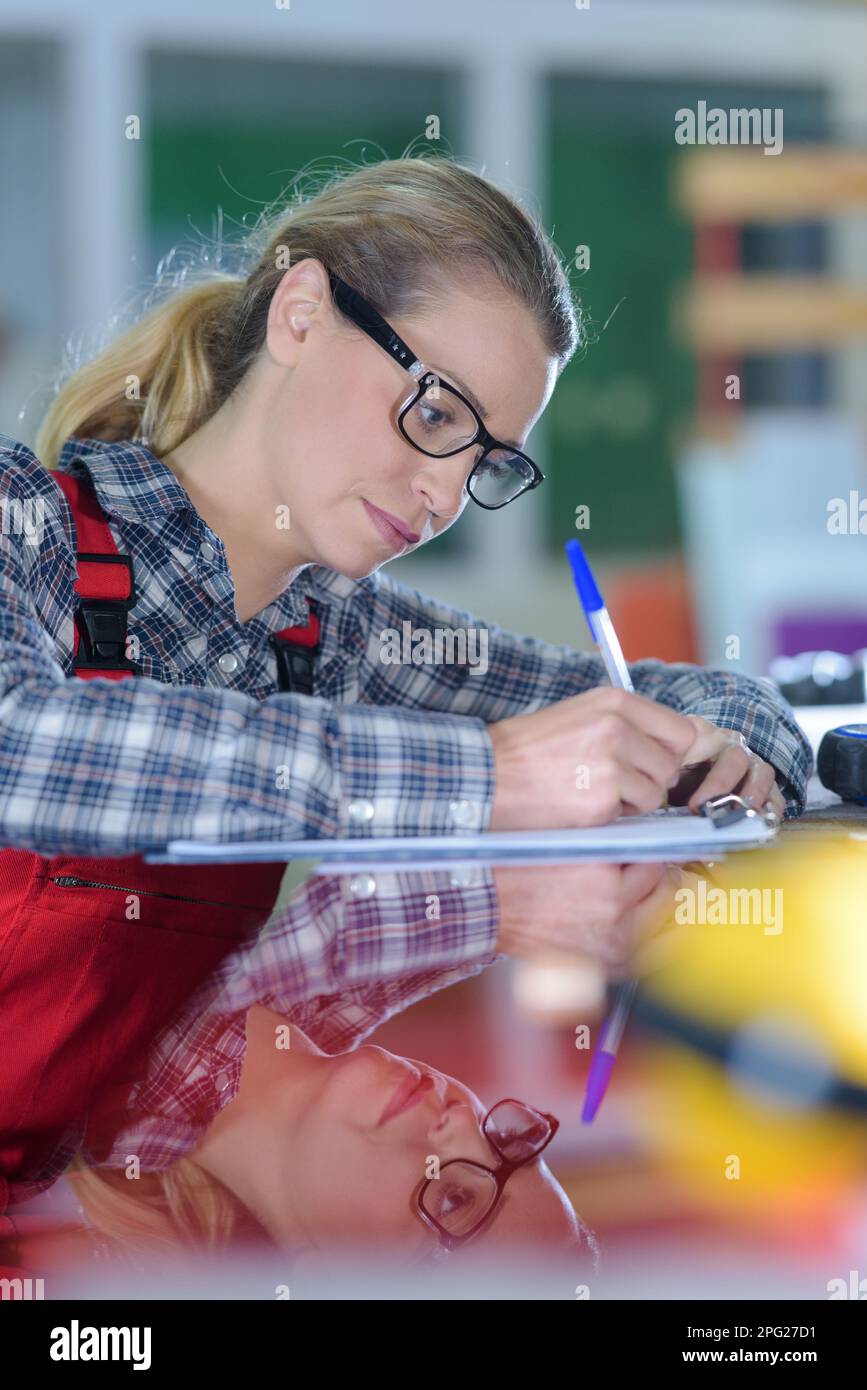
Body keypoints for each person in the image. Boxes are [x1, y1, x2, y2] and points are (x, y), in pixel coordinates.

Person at [0, 152, 811, 1216]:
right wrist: (489, 779)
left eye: (484, 464)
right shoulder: (29, 521)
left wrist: (742, 753)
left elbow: (686, 695)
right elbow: (25, 745)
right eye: (435, 414)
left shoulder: (338, 638)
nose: (441, 495)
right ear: (300, 311)